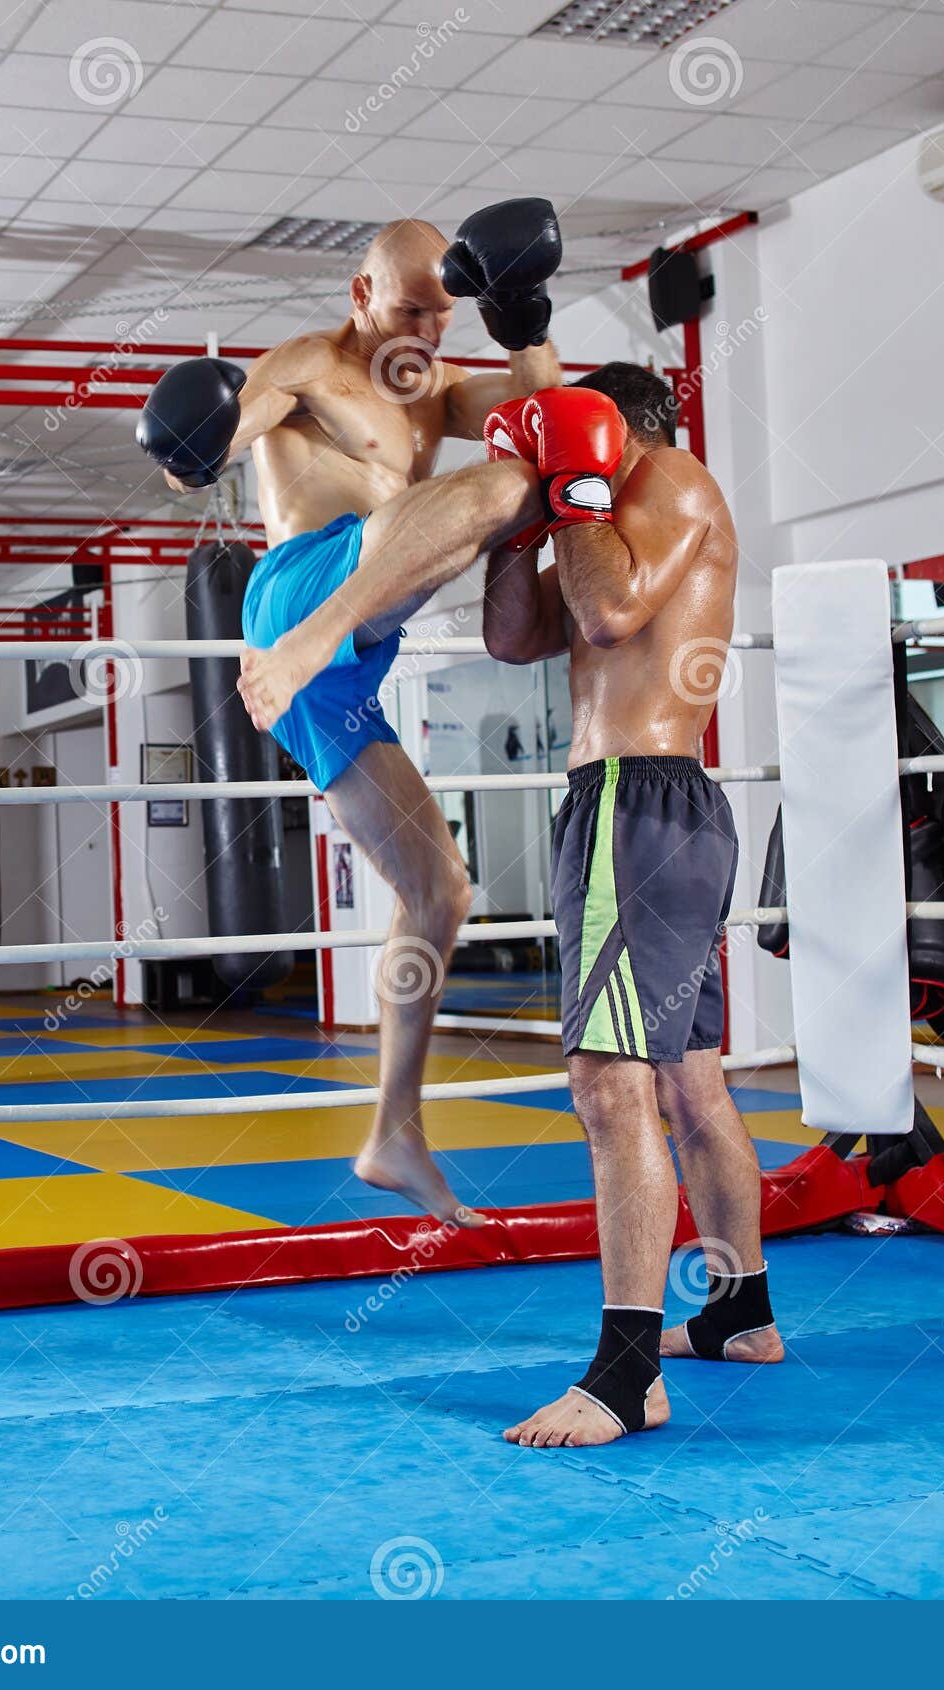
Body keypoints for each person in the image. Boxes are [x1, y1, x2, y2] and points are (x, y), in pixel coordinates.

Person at [228, 361, 780, 1447]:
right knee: (692, 1083)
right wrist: (531, 504)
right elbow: (517, 637)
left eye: (581, 438)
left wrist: (578, 482)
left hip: (638, 803)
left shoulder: (671, 477)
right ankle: (740, 1310)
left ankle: (626, 1376)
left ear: (624, 428)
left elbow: (611, 611)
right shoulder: (596, 505)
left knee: (608, 1087)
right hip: (629, 808)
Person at [138, 203, 563, 1227]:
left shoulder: (438, 389)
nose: (427, 333)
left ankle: (394, 1127)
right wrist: (189, 449)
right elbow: (229, 425)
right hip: (298, 601)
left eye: (446, 317)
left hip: (345, 654)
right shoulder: (310, 364)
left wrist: (527, 321)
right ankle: (315, 640)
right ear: (362, 295)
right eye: (411, 310)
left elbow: (546, 413)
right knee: (503, 487)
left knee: (441, 891)